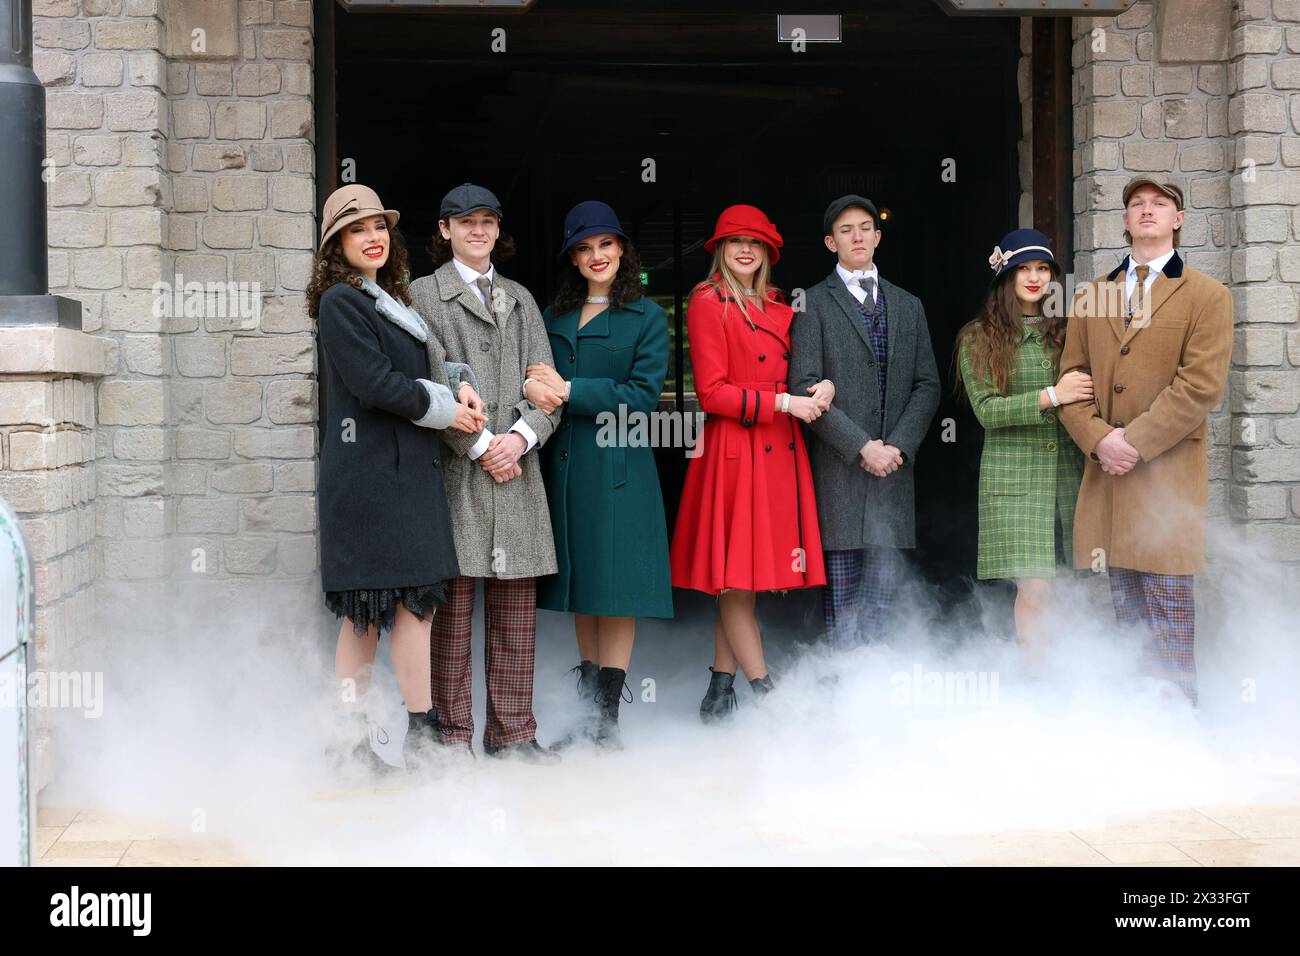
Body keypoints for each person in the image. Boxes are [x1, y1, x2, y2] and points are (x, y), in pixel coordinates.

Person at [308, 184, 485, 774]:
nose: (373, 237)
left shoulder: (391, 300)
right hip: (366, 480)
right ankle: (346, 746)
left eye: (379, 226)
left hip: (408, 477)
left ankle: (422, 739)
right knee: (364, 613)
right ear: (336, 244)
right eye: (357, 229)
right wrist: (448, 410)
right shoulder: (341, 302)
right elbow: (375, 384)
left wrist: (459, 385)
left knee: (415, 608)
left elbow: (422, 366)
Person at [1058, 175, 1233, 705]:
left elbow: (1200, 387)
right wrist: (1098, 440)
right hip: (1109, 478)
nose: (1147, 210)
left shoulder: (1208, 295)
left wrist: (1130, 443)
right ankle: (1139, 731)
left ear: (1178, 219)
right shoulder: (1091, 295)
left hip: (1167, 479)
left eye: (1160, 203)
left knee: (1170, 612)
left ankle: (1182, 727)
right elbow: (1072, 380)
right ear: (1125, 220)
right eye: (1137, 204)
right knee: (1128, 619)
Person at [409, 183, 562, 761]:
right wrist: (477, 446)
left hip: (517, 471)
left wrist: (519, 439)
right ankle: (452, 738)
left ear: (498, 230)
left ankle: (513, 733)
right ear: (444, 230)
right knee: (451, 615)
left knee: (515, 614)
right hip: (456, 474)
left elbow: (549, 387)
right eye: (465, 221)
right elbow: (423, 384)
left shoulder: (521, 299)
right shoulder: (423, 295)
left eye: (488, 221)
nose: (478, 231)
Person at [670, 204, 829, 720]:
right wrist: (784, 403)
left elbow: (800, 373)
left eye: (755, 242)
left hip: (777, 446)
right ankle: (768, 695)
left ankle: (719, 693)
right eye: (735, 241)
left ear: (767, 252)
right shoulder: (707, 300)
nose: (745, 249)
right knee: (736, 581)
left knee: (746, 579)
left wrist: (822, 386)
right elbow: (713, 393)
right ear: (720, 250)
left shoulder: (778, 303)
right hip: (735, 448)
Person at [526, 201, 673, 750]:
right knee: (582, 588)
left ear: (621, 249)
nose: (596, 256)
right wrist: (535, 388)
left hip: (619, 470)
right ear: (572, 258)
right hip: (565, 467)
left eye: (606, 244)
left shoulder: (647, 316)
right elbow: (530, 378)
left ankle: (606, 723)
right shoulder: (552, 316)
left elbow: (641, 397)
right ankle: (587, 717)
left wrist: (568, 390)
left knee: (615, 591)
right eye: (584, 248)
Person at [789, 196, 940, 647]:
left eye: (864, 228)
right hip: (840, 471)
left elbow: (927, 385)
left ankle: (876, 682)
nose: (856, 236)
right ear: (830, 242)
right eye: (845, 230)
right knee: (844, 597)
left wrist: (897, 446)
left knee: (884, 592)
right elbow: (804, 387)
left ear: (878, 236)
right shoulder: (811, 303)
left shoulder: (909, 305)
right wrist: (861, 447)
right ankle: (844, 683)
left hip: (894, 468)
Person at [955, 228, 1089, 667]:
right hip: (1014, 481)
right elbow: (987, 411)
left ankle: (1073, 673)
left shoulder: (1068, 329)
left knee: (1071, 585)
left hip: (1068, 477)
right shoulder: (979, 337)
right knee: (1035, 586)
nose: (1034, 277)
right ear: (1006, 276)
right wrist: (1052, 395)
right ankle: (1036, 678)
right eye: (1023, 269)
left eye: (1043, 268)